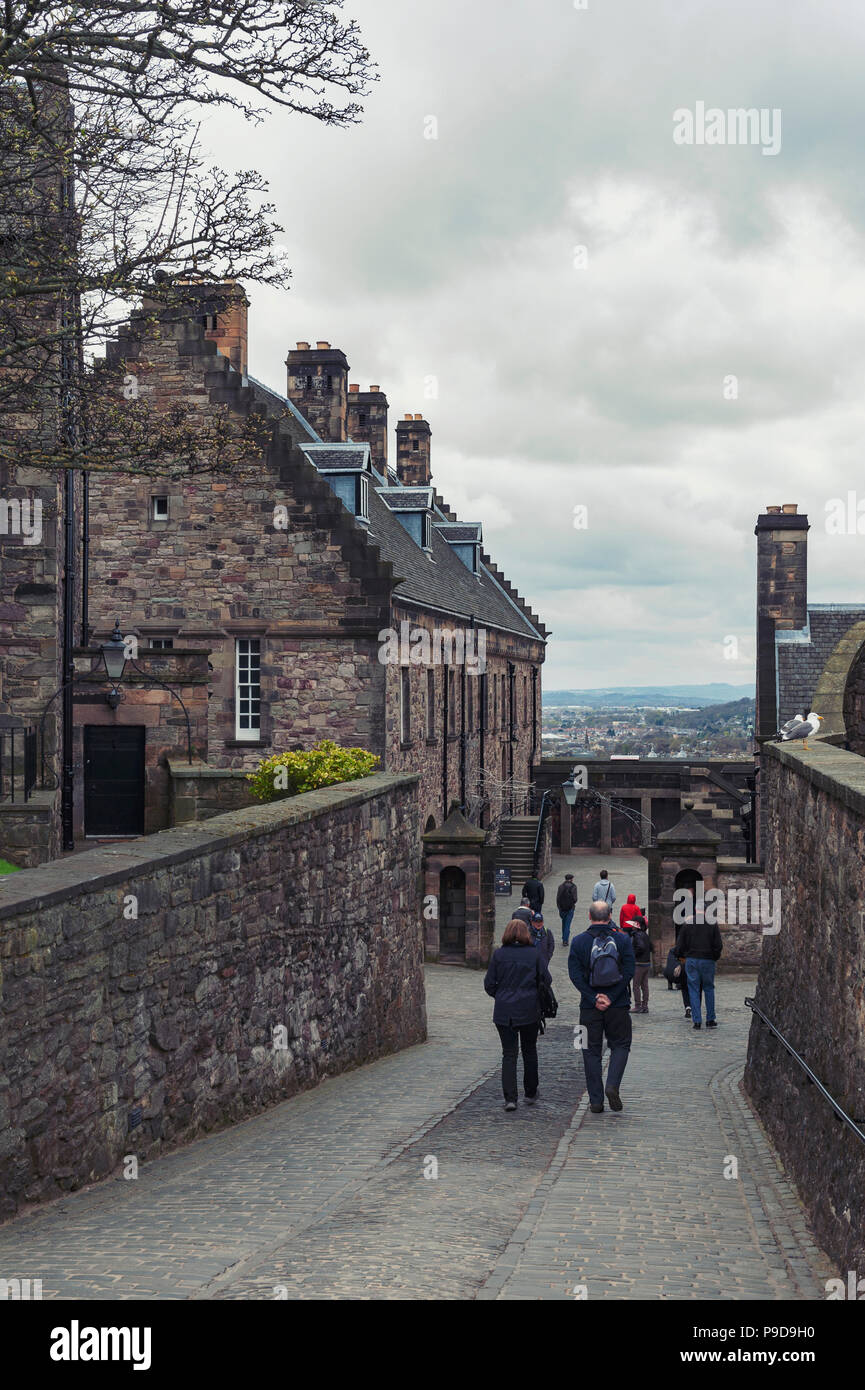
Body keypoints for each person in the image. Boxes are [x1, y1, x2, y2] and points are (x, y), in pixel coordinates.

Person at [568, 901, 635, 1113]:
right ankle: (612, 1084)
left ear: (589, 916)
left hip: (588, 1009)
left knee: (588, 1049)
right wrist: (612, 997)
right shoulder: (623, 939)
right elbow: (630, 971)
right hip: (619, 1006)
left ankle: (595, 1101)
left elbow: (575, 975)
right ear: (610, 915)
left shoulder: (578, 942)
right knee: (621, 1045)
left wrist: (593, 997)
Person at [484, 917, 552, 1110]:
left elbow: (489, 984)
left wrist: (502, 995)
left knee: (509, 1053)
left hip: (505, 1011)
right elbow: (546, 979)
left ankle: (510, 1098)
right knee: (529, 1050)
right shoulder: (534, 954)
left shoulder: (499, 955)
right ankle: (530, 1092)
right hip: (529, 1008)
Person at [674, 914, 723, 1030]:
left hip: (692, 959)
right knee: (709, 988)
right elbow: (718, 945)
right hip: (707, 959)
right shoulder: (712, 924)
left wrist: (681, 957)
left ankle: (697, 1021)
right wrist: (714, 956)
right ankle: (710, 1019)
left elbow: (680, 944)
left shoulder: (688, 924)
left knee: (693, 989)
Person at [630, 911, 652, 1014]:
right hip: (647, 963)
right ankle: (645, 1006)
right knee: (645, 986)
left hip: (639, 964)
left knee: (636, 985)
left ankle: (638, 1005)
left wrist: (633, 955)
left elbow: (640, 947)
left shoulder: (637, 935)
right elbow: (651, 947)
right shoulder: (645, 935)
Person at [556, 873, 578, 946]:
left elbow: (558, 898)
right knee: (567, 924)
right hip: (570, 908)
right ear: (571, 879)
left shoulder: (560, 886)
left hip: (562, 908)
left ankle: (564, 937)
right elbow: (575, 899)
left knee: (564, 923)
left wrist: (559, 907)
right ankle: (565, 940)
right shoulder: (574, 887)